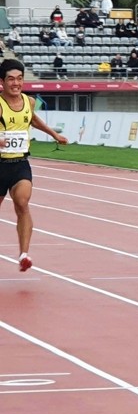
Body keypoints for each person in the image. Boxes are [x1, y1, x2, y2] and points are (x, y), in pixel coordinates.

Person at [0, 59, 69, 271]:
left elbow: (33, 120)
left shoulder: (28, 102)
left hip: (20, 163)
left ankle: (23, 255)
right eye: (11, 79)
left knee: (22, 203)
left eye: (19, 79)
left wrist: (54, 134)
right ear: (2, 82)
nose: (16, 83)